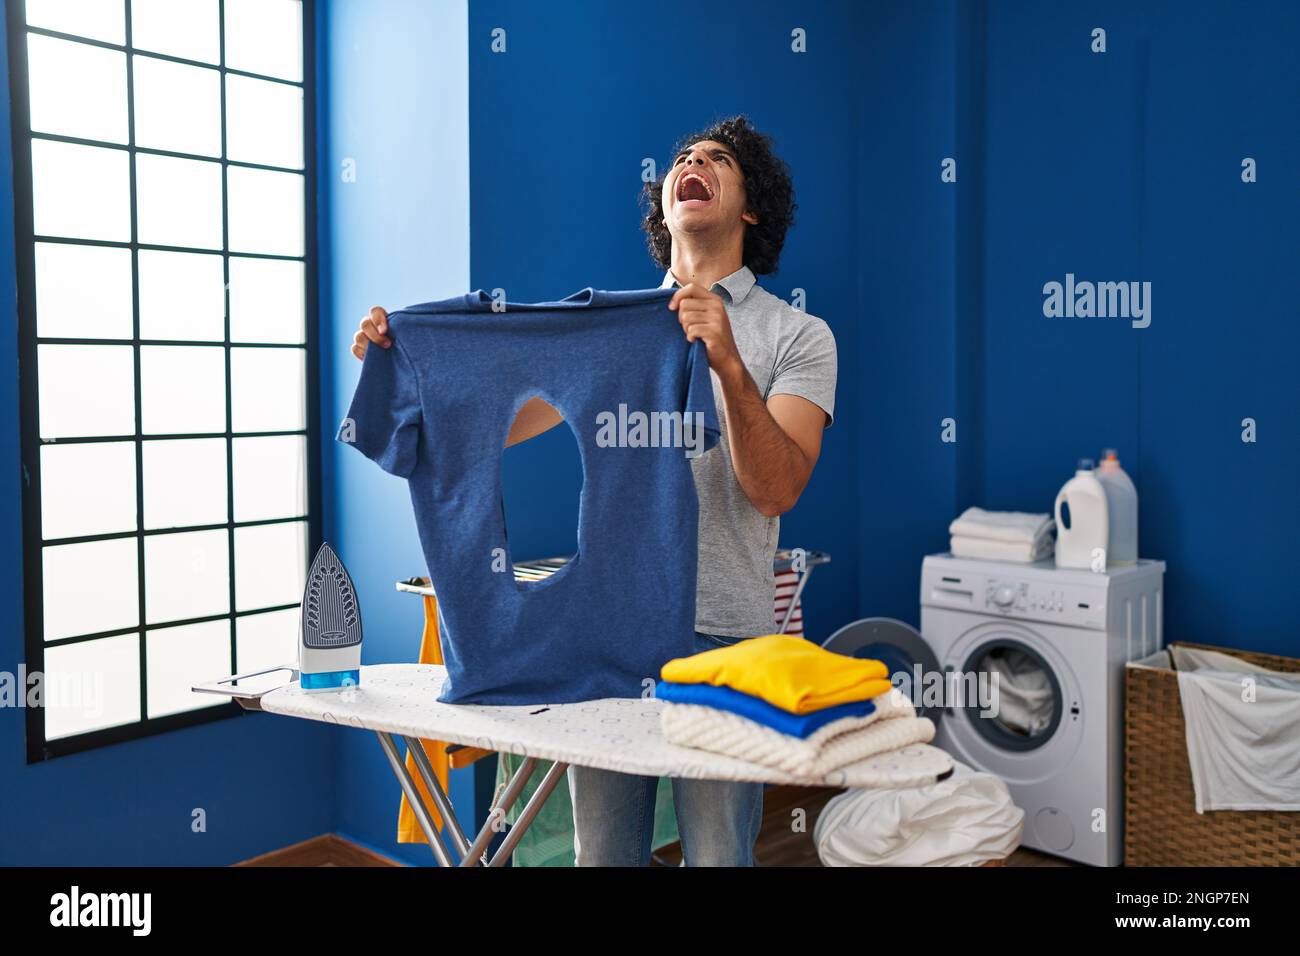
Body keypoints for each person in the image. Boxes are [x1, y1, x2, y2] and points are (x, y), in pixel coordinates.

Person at [351, 115, 837, 866]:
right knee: (603, 856)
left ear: (751, 208)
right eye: (683, 157)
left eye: (717, 158)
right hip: (610, 634)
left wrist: (728, 362)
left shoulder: (799, 335)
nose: (693, 162)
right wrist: (410, 362)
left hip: (726, 641)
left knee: (719, 856)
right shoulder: (615, 335)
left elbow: (776, 490)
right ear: (665, 204)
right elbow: (498, 418)